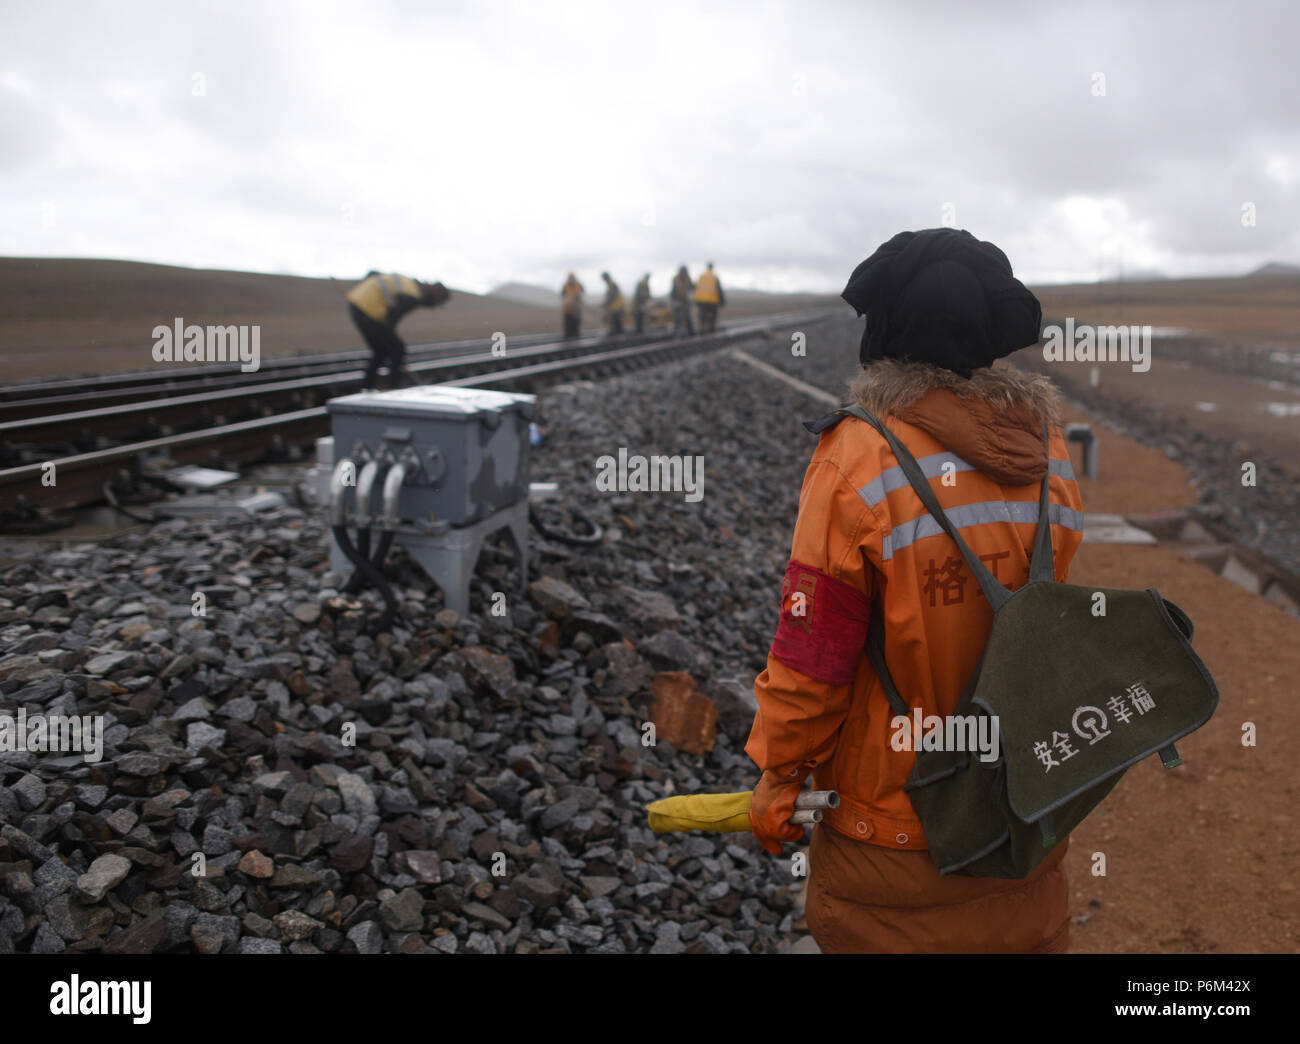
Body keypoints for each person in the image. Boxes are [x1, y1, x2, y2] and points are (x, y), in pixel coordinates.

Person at [745, 228, 1085, 954]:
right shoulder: (1048, 452)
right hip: (1024, 810)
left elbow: (814, 659)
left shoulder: (858, 457)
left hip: (896, 829)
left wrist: (780, 775)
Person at [346, 271, 449, 389]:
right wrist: (398, 359)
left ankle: (367, 387)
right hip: (368, 309)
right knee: (397, 349)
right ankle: (391, 389)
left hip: (359, 304)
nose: (433, 307)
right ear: (435, 296)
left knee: (381, 350)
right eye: (437, 303)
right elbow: (391, 318)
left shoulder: (410, 285)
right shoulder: (412, 296)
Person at [694, 261, 725, 333]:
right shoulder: (714, 277)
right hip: (712, 301)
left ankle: (702, 329)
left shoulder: (701, 276)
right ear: (712, 267)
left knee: (702, 316)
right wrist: (722, 301)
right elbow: (719, 290)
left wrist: (696, 300)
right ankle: (711, 331)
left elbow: (696, 287)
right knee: (712, 317)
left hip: (701, 300)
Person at [670, 265, 694, 337]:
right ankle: (677, 333)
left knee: (687, 317)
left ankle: (691, 333)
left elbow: (692, 288)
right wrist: (674, 302)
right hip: (678, 301)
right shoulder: (675, 279)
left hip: (686, 301)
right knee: (678, 318)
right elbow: (673, 291)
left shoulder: (688, 278)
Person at [561, 272, 585, 338]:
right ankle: (568, 339)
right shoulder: (565, 286)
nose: (571, 279)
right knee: (568, 328)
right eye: (570, 278)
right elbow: (563, 297)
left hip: (576, 311)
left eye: (572, 278)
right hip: (568, 310)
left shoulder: (579, 285)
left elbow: (582, 295)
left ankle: (576, 339)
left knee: (576, 328)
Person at [601, 271, 624, 336]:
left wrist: (605, 303)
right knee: (617, 323)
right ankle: (618, 335)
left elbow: (612, 296)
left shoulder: (612, 284)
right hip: (616, 306)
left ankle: (616, 337)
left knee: (615, 323)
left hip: (616, 307)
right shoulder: (611, 284)